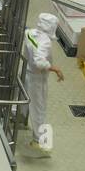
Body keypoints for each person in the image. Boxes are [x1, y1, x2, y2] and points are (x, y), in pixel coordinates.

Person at [23, 12, 65, 157]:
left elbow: (31, 50)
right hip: (37, 79)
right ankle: (40, 142)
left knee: (25, 99)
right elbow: (39, 61)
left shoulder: (30, 34)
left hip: (26, 73)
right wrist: (56, 69)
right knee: (39, 109)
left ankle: (18, 118)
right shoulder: (45, 41)